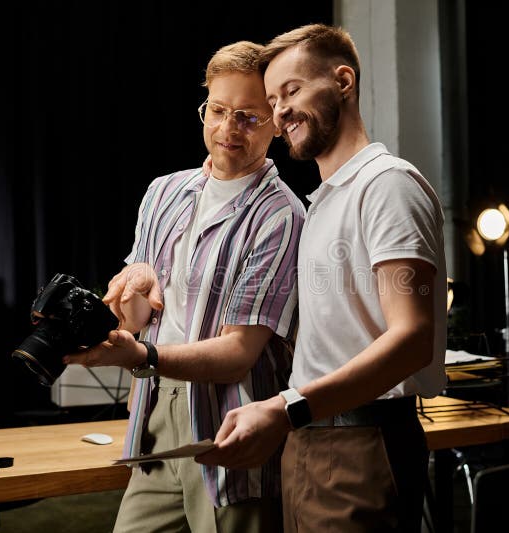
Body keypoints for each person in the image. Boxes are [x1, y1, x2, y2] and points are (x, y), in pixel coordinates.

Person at [196, 24, 447, 532]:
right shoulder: (323, 202)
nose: (281, 111)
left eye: (292, 91)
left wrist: (287, 408)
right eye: (272, 99)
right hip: (310, 440)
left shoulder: (387, 186)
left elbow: (413, 339)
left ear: (344, 81)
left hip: (361, 443)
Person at [64, 40, 305, 533]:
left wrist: (139, 356)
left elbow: (240, 353)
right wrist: (129, 294)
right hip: (155, 413)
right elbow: (138, 319)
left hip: (232, 420)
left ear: (276, 123)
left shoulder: (282, 216)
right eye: (217, 110)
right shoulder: (164, 192)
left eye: (247, 116)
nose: (227, 129)